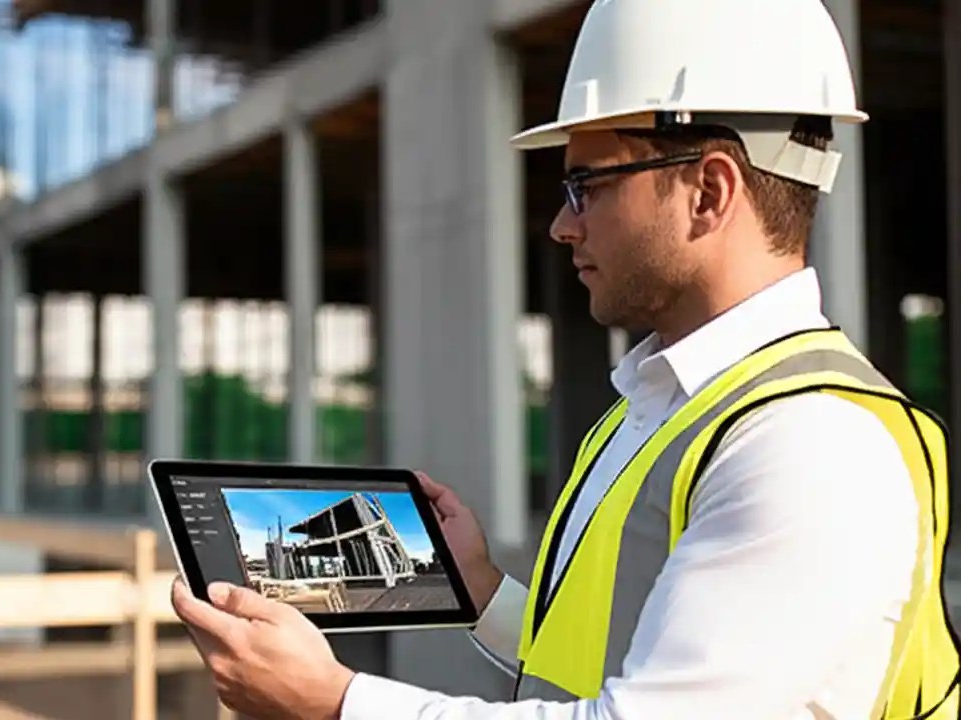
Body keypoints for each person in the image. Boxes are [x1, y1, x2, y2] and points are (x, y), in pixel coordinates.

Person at [170, 0, 961, 717]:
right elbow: (620, 660)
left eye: (587, 184)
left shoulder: (809, 446)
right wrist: (481, 592)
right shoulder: (657, 408)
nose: (561, 225)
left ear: (710, 193)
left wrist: (335, 702)